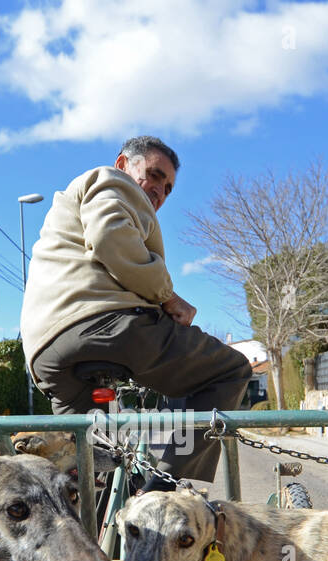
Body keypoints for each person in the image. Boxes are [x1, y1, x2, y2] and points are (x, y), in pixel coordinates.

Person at [20, 136, 252, 488]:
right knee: (231, 370)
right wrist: (167, 297)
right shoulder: (110, 181)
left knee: (86, 460)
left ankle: (93, 524)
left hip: (47, 354)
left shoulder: (67, 211)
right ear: (124, 164)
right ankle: (161, 490)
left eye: (169, 187)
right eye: (155, 175)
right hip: (108, 327)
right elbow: (111, 238)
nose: (160, 190)